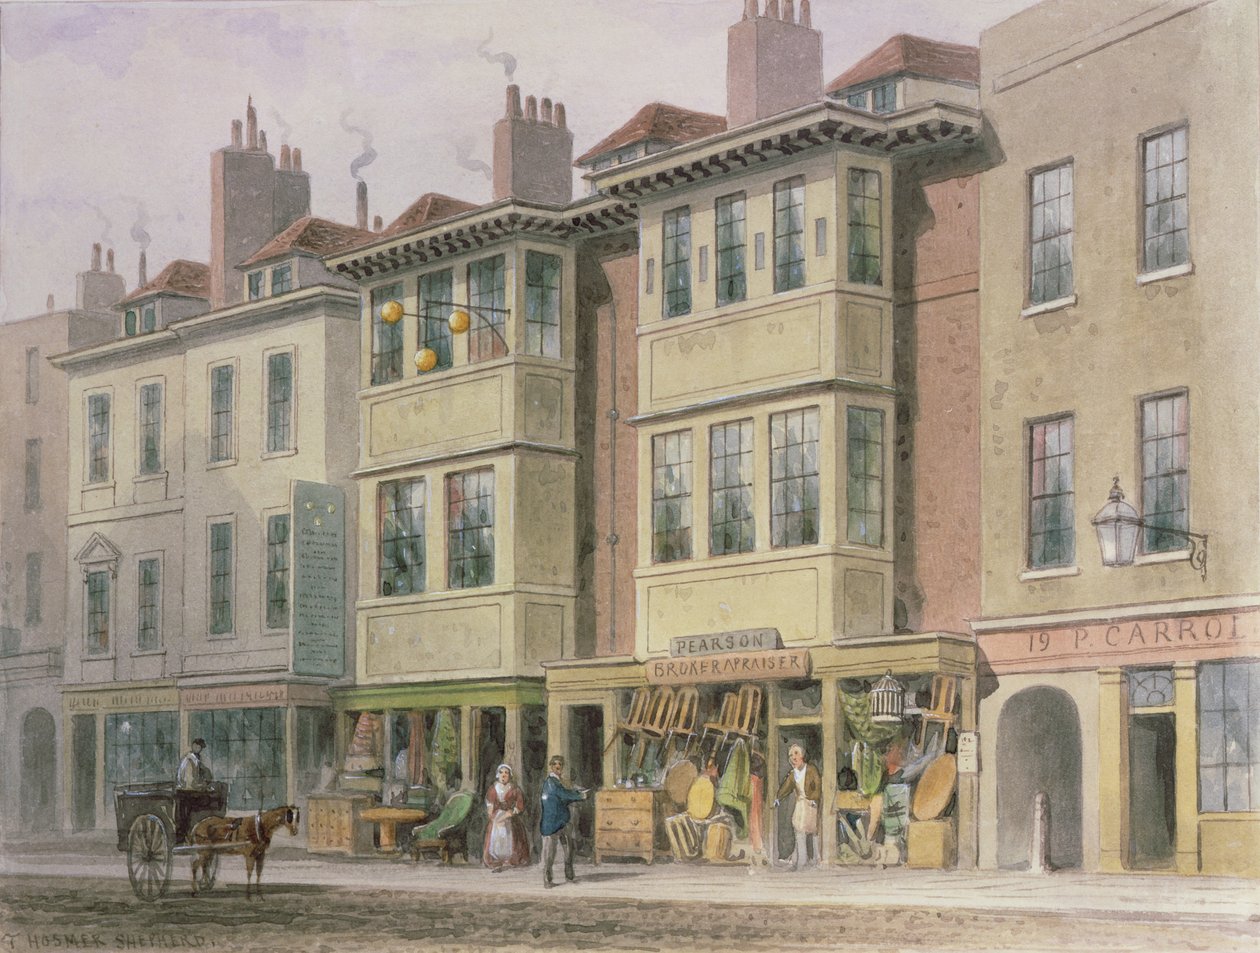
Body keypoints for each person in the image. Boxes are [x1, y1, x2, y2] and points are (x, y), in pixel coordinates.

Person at [539, 755, 586, 888]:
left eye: (560, 764)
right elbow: (562, 794)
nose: (558, 766)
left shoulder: (559, 781)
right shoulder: (551, 782)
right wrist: (579, 795)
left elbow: (564, 795)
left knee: (569, 847)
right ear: (552, 766)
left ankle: (569, 875)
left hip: (563, 820)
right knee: (550, 852)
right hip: (551, 822)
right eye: (555, 764)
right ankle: (547, 880)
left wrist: (574, 793)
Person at [773, 742, 820, 871]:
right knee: (799, 830)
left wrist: (815, 799)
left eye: (796, 754)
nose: (793, 757)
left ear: (802, 755)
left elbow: (817, 785)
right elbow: (786, 787)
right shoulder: (793, 774)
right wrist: (778, 797)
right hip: (800, 805)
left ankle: (816, 859)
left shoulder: (811, 769)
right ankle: (801, 861)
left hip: (811, 804)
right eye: (790, 755)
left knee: (813, 832)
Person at [484, 763, 529, 871]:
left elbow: (519, 805)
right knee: (495, 837)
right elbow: (490, 804)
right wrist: (493, 816)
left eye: (506, 773)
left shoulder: (514, 789)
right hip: (496, 817)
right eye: (501, 772)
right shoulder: (493, 788)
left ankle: (509, 860)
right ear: (497, 775)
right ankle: (496, 860)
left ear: (510, 775)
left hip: (510, 817)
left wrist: (509, 814)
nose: (503, 775)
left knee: (510, 837)